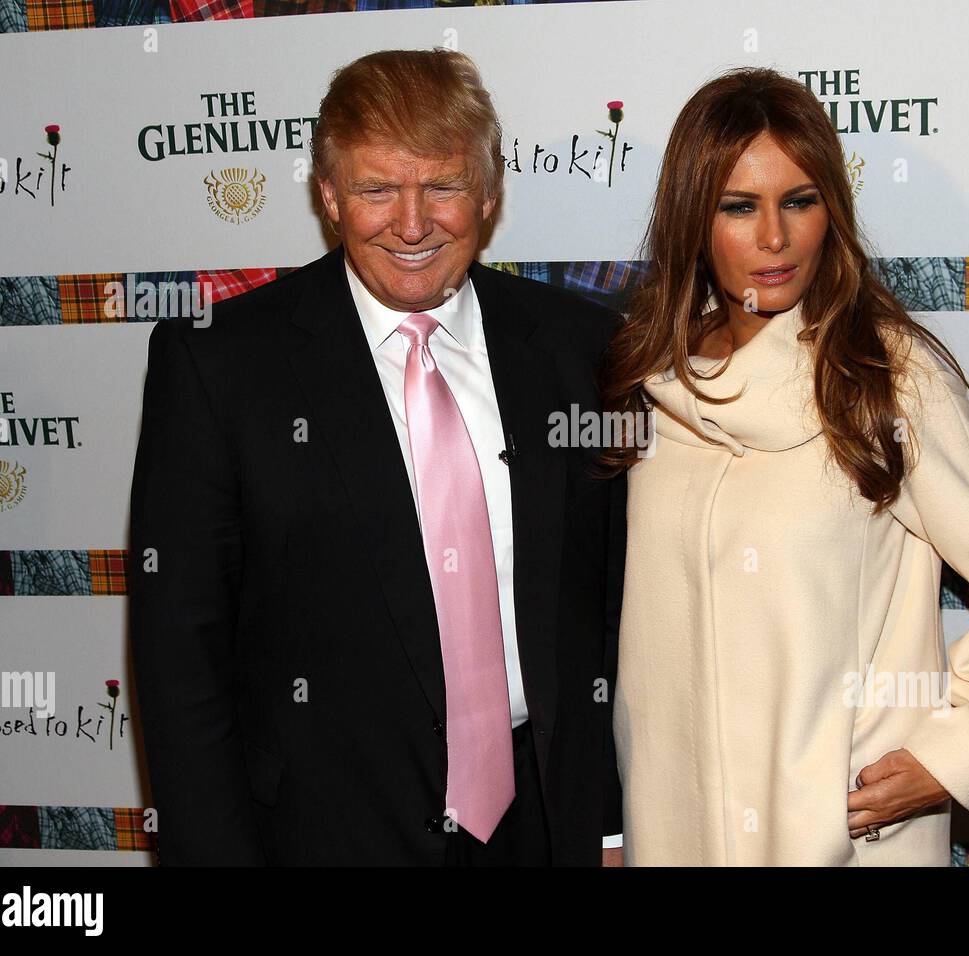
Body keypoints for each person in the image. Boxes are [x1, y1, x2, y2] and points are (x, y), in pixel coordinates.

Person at [129, 49, 625, 865]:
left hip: (543, 827)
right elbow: (183, 665)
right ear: (328, 195)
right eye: (376, 189)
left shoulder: (579, 349)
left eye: (442, 185)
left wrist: (607, 822)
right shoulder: (219, 365)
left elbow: (605, 619)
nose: (411, 223)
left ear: (490, 190)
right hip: (322, 836)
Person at [599, 67, 969, 865]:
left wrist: (952, 754)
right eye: (738, 207)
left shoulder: (885, 377)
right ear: (692, 221)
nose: (775, 239)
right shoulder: (650, 382)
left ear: (833, 211)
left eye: (800, 200)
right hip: (675, 833)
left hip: (840, 838)